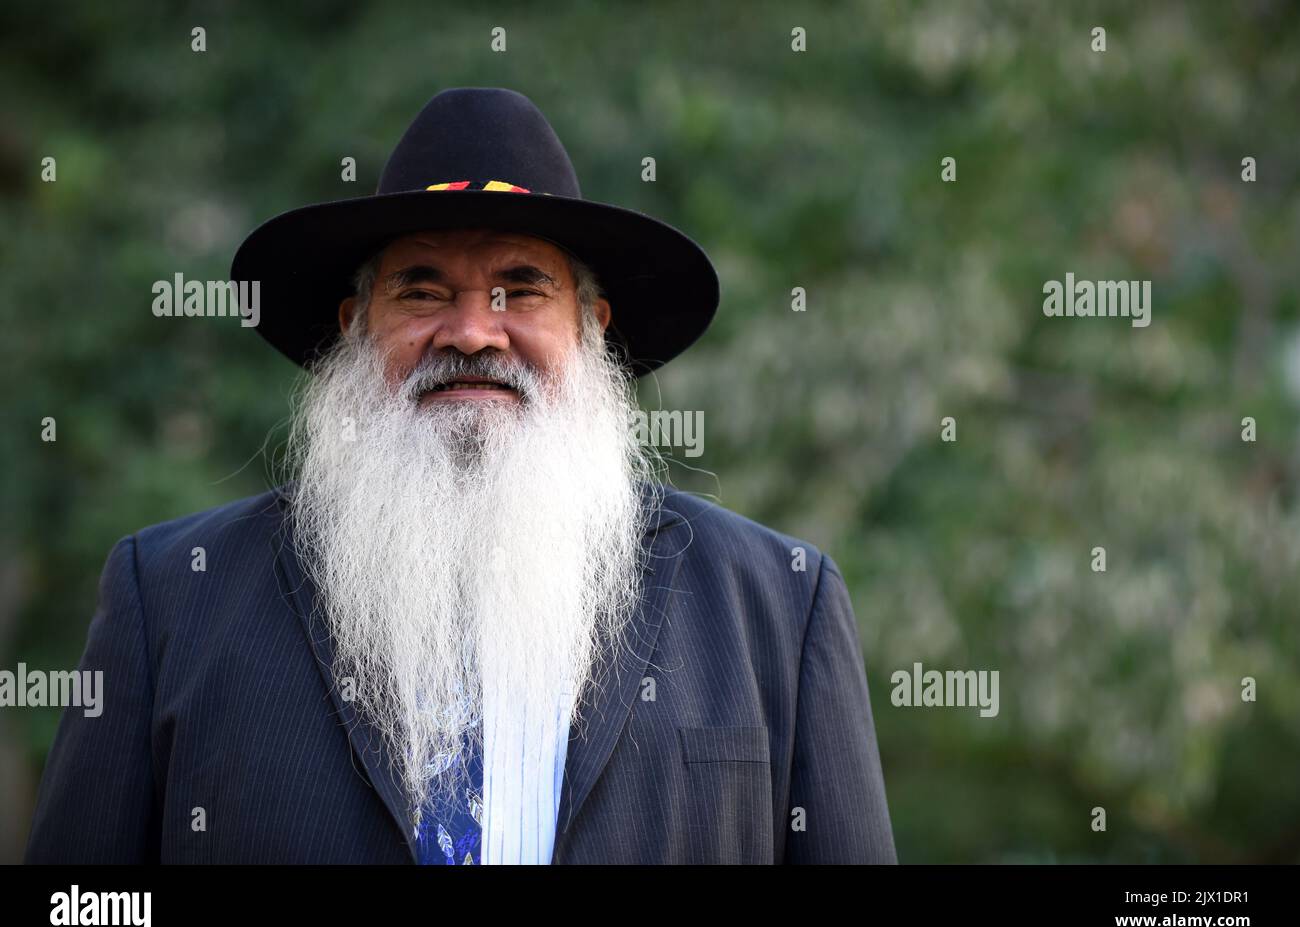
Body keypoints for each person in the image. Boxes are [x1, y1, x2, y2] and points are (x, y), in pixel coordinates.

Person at [25, 87, 896, 864]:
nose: (474, 331)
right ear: (356, 327)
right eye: (422, 289)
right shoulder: (172, 598)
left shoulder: (777, 606)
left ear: (592, 328)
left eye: (521, 286)